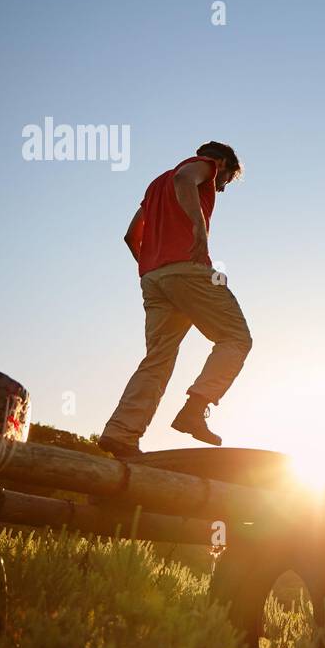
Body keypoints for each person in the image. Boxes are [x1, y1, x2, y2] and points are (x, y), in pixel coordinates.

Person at [98, 142, 251, 459]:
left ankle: (121, 434)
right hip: (189, 270)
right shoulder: (203, 166)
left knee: (157, 361)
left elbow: (131, 235)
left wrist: (153, 267)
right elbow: (185, 179)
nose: (219, 189)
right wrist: (198, 225)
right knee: (235, 337)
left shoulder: (155, 185)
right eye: (225, 181)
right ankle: (195, 409)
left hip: (153, 280)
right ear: (221, 163)